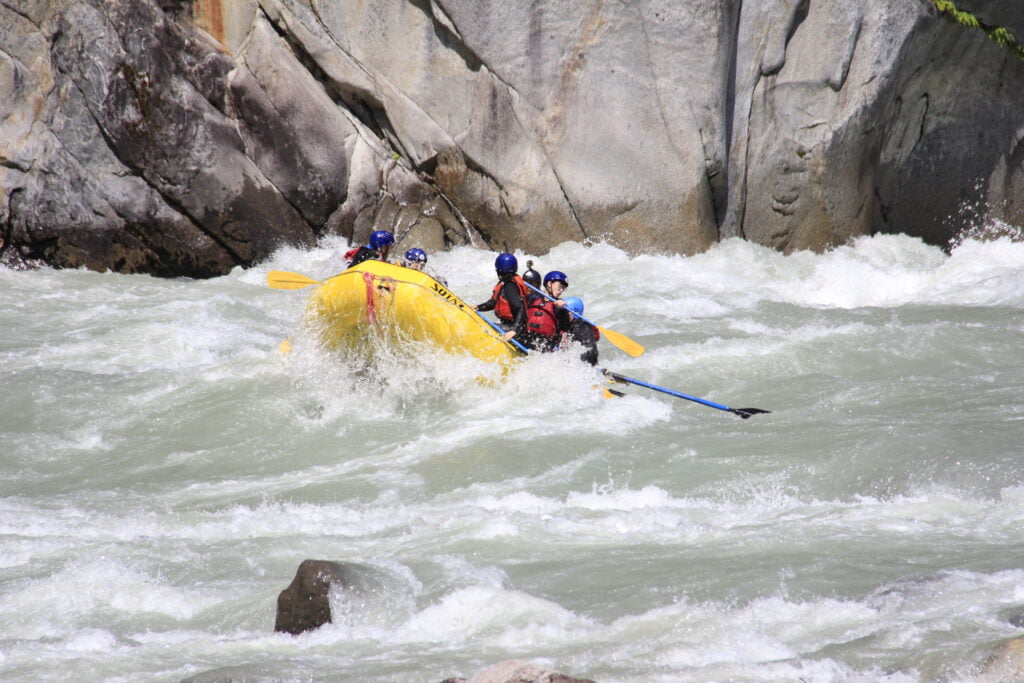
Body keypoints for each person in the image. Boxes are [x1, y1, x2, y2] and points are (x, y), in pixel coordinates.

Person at [474, 253, 528, 341]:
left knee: (482, 326)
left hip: (512, 329)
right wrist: (477, 307)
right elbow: (492, 303)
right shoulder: (504, 283)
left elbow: (520, 308)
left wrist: (514, 330)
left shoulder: (509, 286)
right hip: (509, 326)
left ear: (499, 270)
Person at [521, 270, 570, 352]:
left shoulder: (560, 306)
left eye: (563, 288)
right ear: (549, 284)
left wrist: (562, 309)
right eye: (560, 286)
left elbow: (565, 328)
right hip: (527, 340)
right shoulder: (533, 298)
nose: (561, 290)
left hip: (546, 346)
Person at [562, 296, 599, 365]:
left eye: (565, 311)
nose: (562, 314)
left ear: (574, 312)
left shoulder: (583, 328)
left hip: (586, 366)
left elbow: (592, 351)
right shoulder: (567, 326)